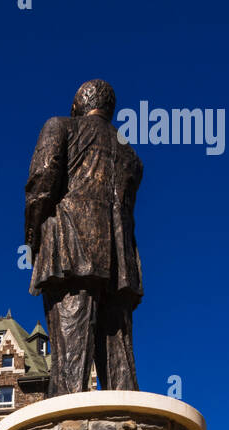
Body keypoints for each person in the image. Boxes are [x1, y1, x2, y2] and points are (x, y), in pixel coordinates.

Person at [25, 79, 144, 396]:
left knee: (69, 355)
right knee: (118, 355)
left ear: (77, 104)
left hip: (71, 251)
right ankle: (131, 423)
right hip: (121, 264)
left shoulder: (60, 126)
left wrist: (33, 237)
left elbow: (42, 182)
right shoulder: (130, 154)